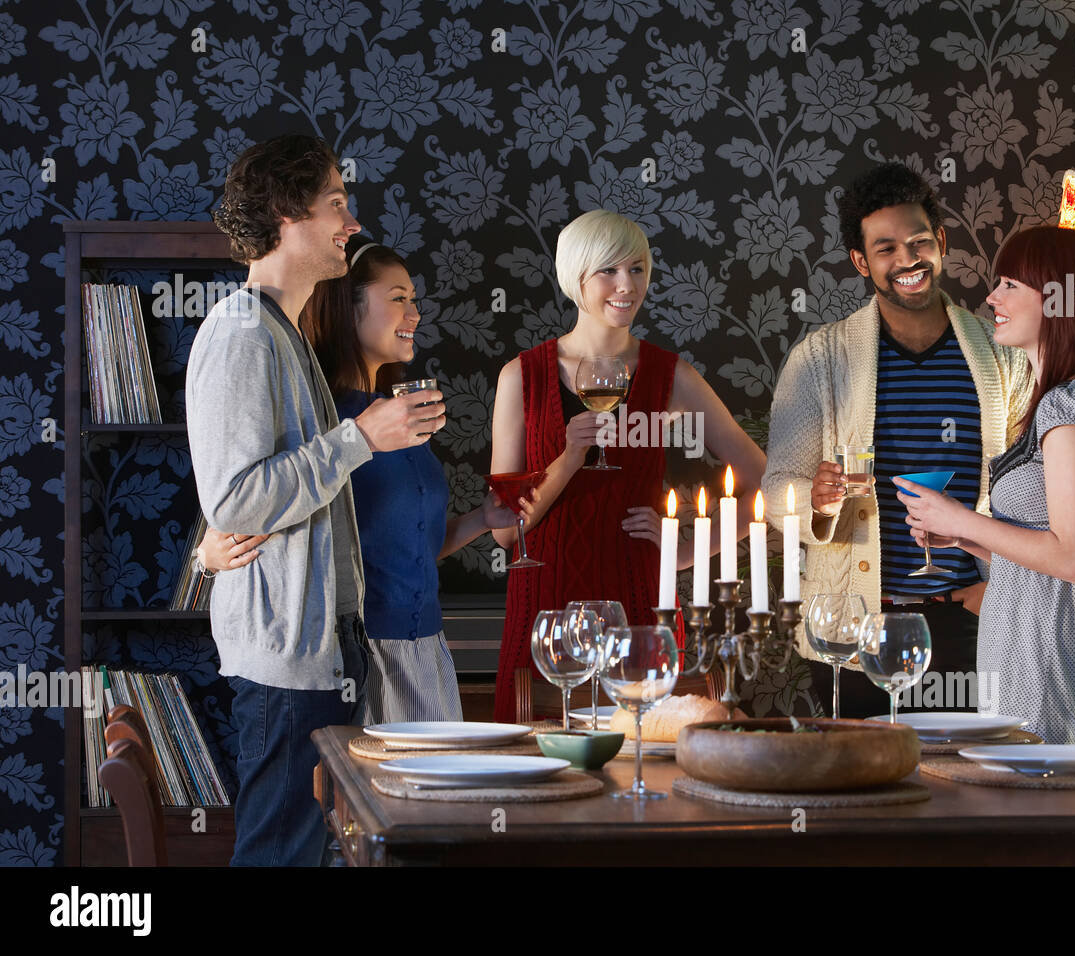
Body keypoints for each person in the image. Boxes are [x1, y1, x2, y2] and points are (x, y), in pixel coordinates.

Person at [187, 136, 437, 866]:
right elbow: (236, 502)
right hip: (286, 665)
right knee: (281, 856)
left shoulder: (283, 334)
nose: (351, 223)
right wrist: (359, 438)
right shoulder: (240, 334)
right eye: (336, 202)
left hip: (320, 655)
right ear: (287, 211)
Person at [199, 236, 530, 724]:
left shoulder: (396, 418)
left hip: (426, 651)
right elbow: (245, 501)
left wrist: (482, 519)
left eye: (414, 300)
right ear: (346, 308)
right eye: (398, 299)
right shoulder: (323, 421)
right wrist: (206, 555)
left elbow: (403, 548)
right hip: (358, 654)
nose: (414, 313)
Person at [762, 162, 1031, 718]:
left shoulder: (1001, 354)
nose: (906, 260)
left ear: (942, 244)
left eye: (918, 242)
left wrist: (1002, 587)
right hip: (855, 622)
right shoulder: (819, 359)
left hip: (970, 618)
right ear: (861, 262)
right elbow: (775, 490)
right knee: (865, 787)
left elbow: (1037, 491)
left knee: (965, 787)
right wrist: (813, 500)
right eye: (885, 249)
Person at [489, 209, 766, 722]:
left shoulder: (670, 374)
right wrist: (570, 459)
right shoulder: (521, 378)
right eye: (609, 271)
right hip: (546, 610)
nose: (627, 285)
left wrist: (685, 551)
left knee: (644, 770)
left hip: (641, 605)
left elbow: (760, 480)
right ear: (576, 278)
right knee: (539, 774)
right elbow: (506, 535)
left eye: (637, 269)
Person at [896, 225, 1075, 745]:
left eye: (1011, 285)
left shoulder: (1069, 407)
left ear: (1062, 300)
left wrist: (959, 518)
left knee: (1038, 815)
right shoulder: (1058, 402)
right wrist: (963, 538)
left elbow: (1072, 559)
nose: (992, 297)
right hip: (1029, 648)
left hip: (1048, 657)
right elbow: (1040, 556)